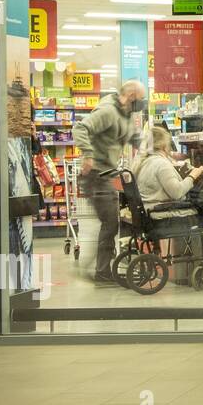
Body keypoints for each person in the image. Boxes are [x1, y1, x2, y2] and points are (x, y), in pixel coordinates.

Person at [72, 80, 146, 284]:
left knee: (112, 223)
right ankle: (100, 270)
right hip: (95, 175)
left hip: (106, 175)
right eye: (141, 99)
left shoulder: (125, 115)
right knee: (111, 223)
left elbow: (134, 137)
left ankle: (101, 268)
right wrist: (88, 154)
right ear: (130, 96)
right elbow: (79, 128)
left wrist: (155, 149)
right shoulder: (108, 111)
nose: (142, 103)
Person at [137, 127, 203, 208]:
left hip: (150, 211)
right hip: (164, 214)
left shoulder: (145, 161)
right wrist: (192, 176)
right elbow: (177, 193)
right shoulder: (161, 164)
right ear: (164, 146)